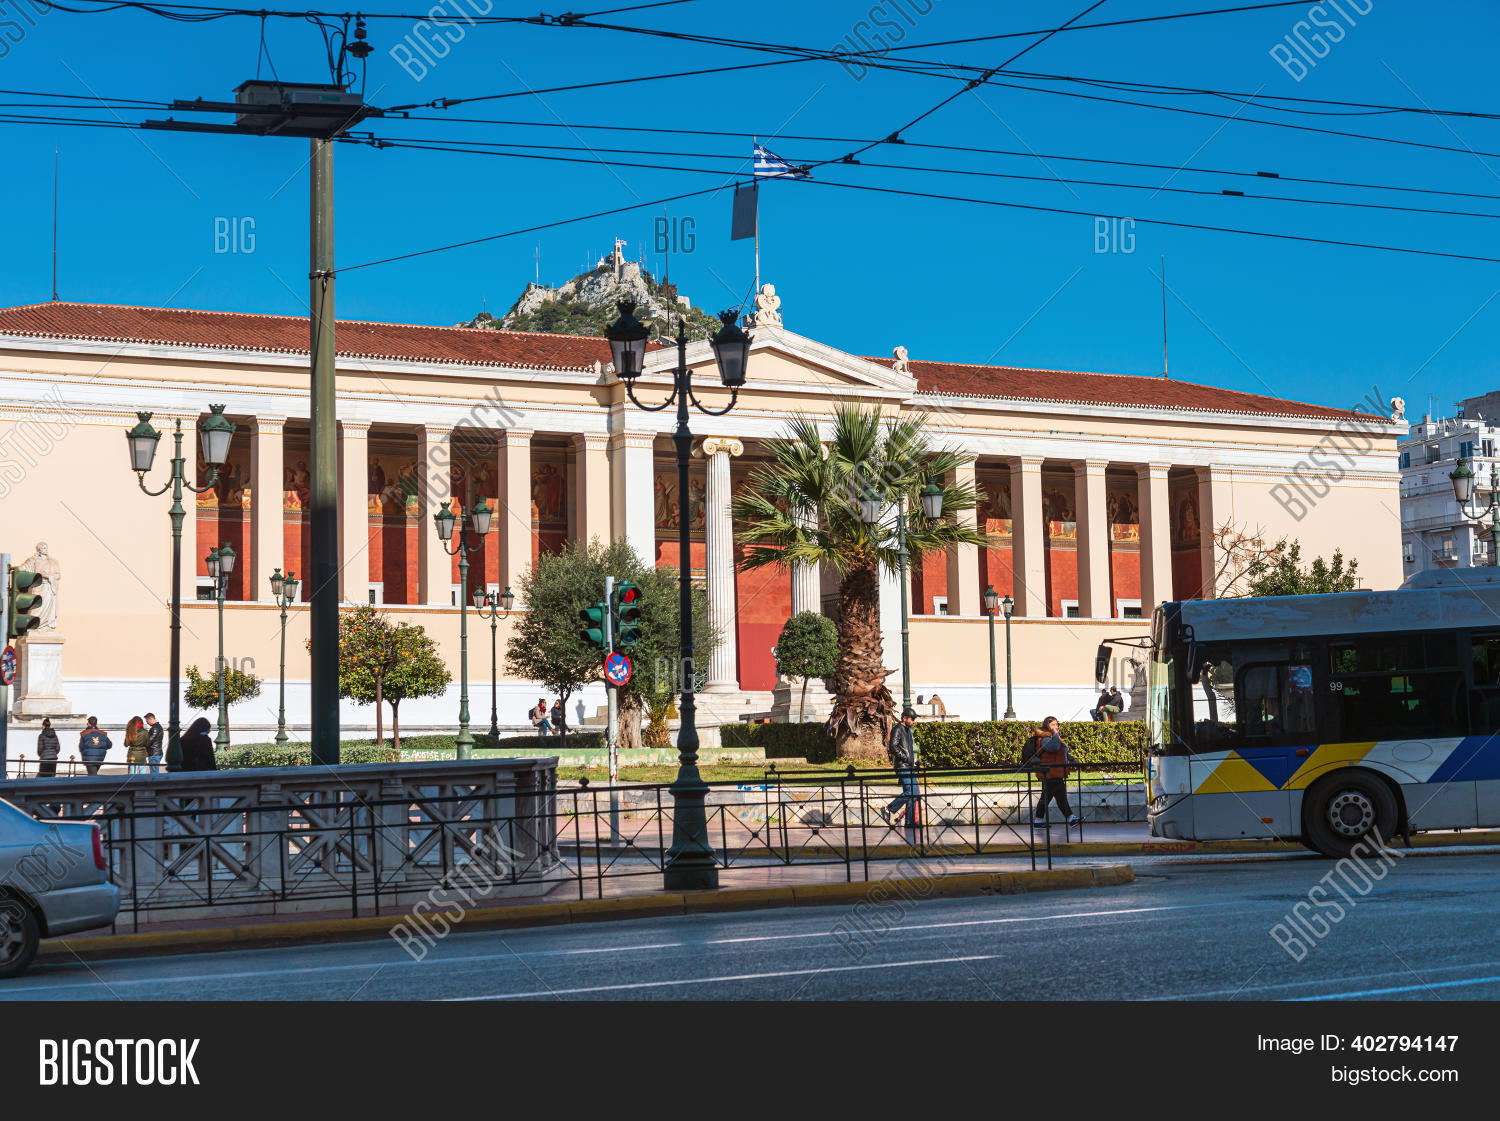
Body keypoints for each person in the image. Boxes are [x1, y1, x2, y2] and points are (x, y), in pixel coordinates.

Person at [1030, 716, 1080, 826]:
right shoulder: (1044, 738)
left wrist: (1072, 758)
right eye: (1053, 725)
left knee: (1046, 798)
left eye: (1057, 725)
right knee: (1060, 797)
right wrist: (1055, 734)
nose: (1056, 727)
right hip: (1050, 772)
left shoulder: (1053, 736)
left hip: (1054, 772)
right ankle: (1071, 818)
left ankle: (1038, 821)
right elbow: (1055, 747)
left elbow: (1062, 750)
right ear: (1047, 726)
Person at [882, 707, 921, 831]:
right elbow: (893, 747)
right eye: (912, 719)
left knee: (914, 794)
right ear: (904, 718)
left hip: (909, 766)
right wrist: (905, 758)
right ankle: (889, 809)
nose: (914, 721)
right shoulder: (897, 729)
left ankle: (909, 823)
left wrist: (913, 762)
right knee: (911, 792)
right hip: (902, 766)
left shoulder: (908, 731)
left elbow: (908, 749)